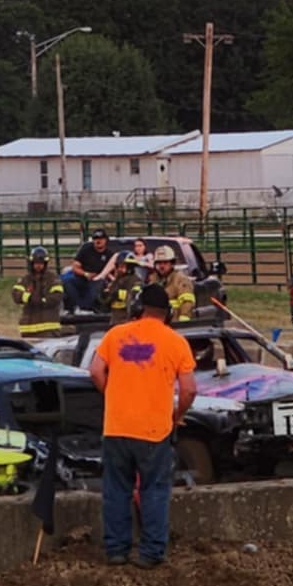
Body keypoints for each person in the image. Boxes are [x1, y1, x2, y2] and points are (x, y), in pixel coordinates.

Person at [87, 281, 197, 568]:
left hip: (116, 427)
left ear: (138, 308)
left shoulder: (116, 335)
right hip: (154, 431)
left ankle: (116, 550)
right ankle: (150, 553)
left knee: (116, 489)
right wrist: (177, 415)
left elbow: (96, 371)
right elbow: (188, 390)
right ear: (167, 313)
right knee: (154, 490)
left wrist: (112, 394)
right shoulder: (175, 342)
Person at [12, 246, 65, 336]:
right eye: (36, 263)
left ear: (45, 263)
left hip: (49, 328)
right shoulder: (26, 279)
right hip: (28, 328)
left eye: (41, 263)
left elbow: (57, 296)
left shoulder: (52, 279)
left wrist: (42, 301)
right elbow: (16, 294)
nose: (38, 265)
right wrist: (28, 297)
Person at [61, 226, 113, 314]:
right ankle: (76, 307)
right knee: (67, 281)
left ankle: (86, 308)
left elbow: (112, 270)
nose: (98, 241)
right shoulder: (86, 249)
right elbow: (75, 266)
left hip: (99, 279)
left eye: (100, 238)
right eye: (95, 239)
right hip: (83, 276)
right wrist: (86, 274)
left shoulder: (109, 254)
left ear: (106, 240)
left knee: (97, 287)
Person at [149, 243, 196, 322]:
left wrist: (183, 321)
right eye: (159, 263)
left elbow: (187, 302)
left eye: (165, 263)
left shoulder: (181, 280)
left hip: (175, 323)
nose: (162, 266)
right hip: (158, 323)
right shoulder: (152, 280)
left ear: (172, 264)